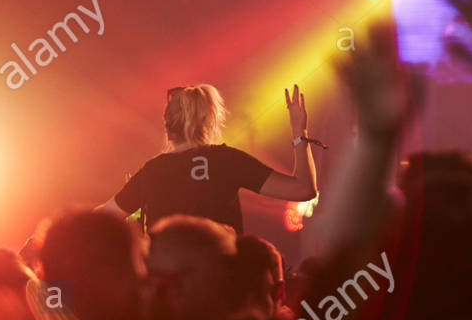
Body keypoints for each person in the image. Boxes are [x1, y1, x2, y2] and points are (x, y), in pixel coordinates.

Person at [97, 83, 317, 234]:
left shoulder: (153, 170)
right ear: (208, 122)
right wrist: (300, 132)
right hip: (221, 290)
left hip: (168, 294)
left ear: (167, 125)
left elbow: (100, 220)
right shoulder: (227, 160)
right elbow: (303, 190)